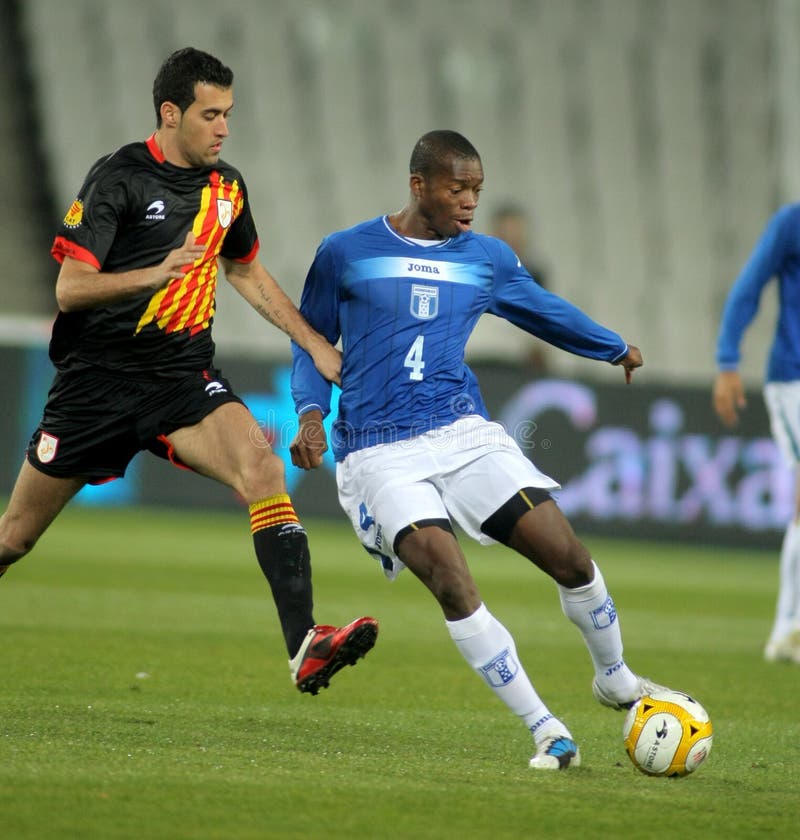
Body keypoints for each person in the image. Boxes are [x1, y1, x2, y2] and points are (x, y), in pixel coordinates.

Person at [0, 47, 377, 696]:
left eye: (228, 113)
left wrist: (315, 344)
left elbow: (245, 270)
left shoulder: (227, 188)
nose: (224, 127)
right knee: (14, 538)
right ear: (171, 114)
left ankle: (305, 646)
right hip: (96, 386)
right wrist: (159, 271)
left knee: (260, 466)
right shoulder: (117, 179)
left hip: (180, 378)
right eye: (211, 114)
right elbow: (70, 289)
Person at [289, 129, 664, 770]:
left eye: (477, 190)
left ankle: (616, 678)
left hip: (462, 432)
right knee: (449, 577)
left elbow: (542, 311)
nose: (469, 201)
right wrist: (310, 413)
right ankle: (547, 730)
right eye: (457, 187)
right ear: (418, 185)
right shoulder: (345, 251)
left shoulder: (484, 258)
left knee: (569, 557)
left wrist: (611, 344)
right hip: (378, 450)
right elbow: (308, 337)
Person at [713, 203, 800, 665]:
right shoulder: (793, 223)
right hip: (796, 377)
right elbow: (749, 287)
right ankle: (790, 629)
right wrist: (728, 360)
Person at [489, 202, 551, 373]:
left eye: (515, 233)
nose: (511, 240)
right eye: (505, 234)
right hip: (483, 359)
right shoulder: (477, 272)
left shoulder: (535, 276)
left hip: (518, 362)